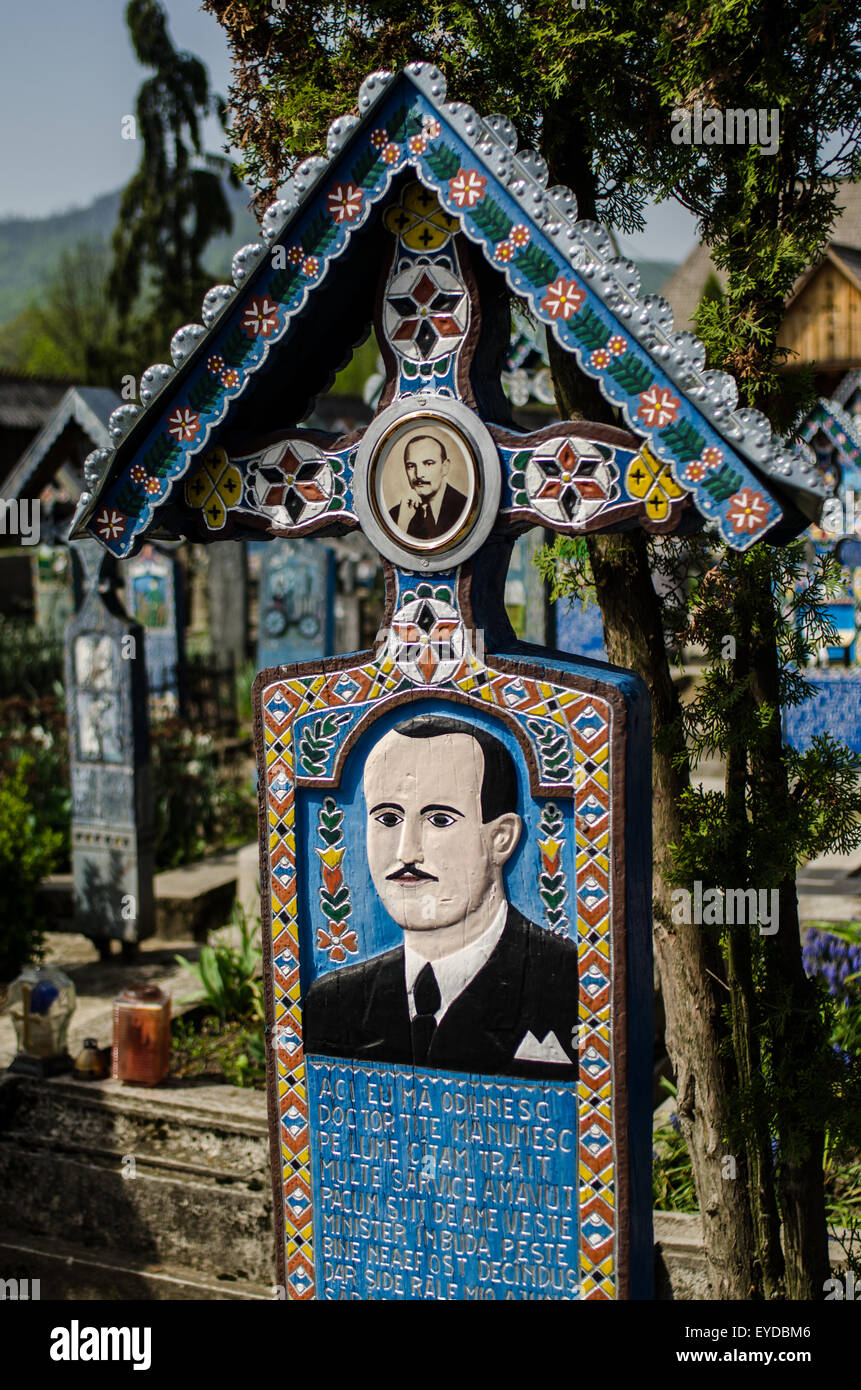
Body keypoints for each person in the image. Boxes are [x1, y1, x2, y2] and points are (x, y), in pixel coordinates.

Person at [303, 715, 580, 1079]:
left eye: (439, 819)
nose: (406, 853)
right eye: (388, 819)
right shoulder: (334, 1003)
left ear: (501, 838)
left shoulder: (570, 984)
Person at [389, 434, 468, 540]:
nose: (419, 474)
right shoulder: (396, 516)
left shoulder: (466, 508)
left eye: (428, 464)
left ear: (445, 467)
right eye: (411, 466)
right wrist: (402, 526)